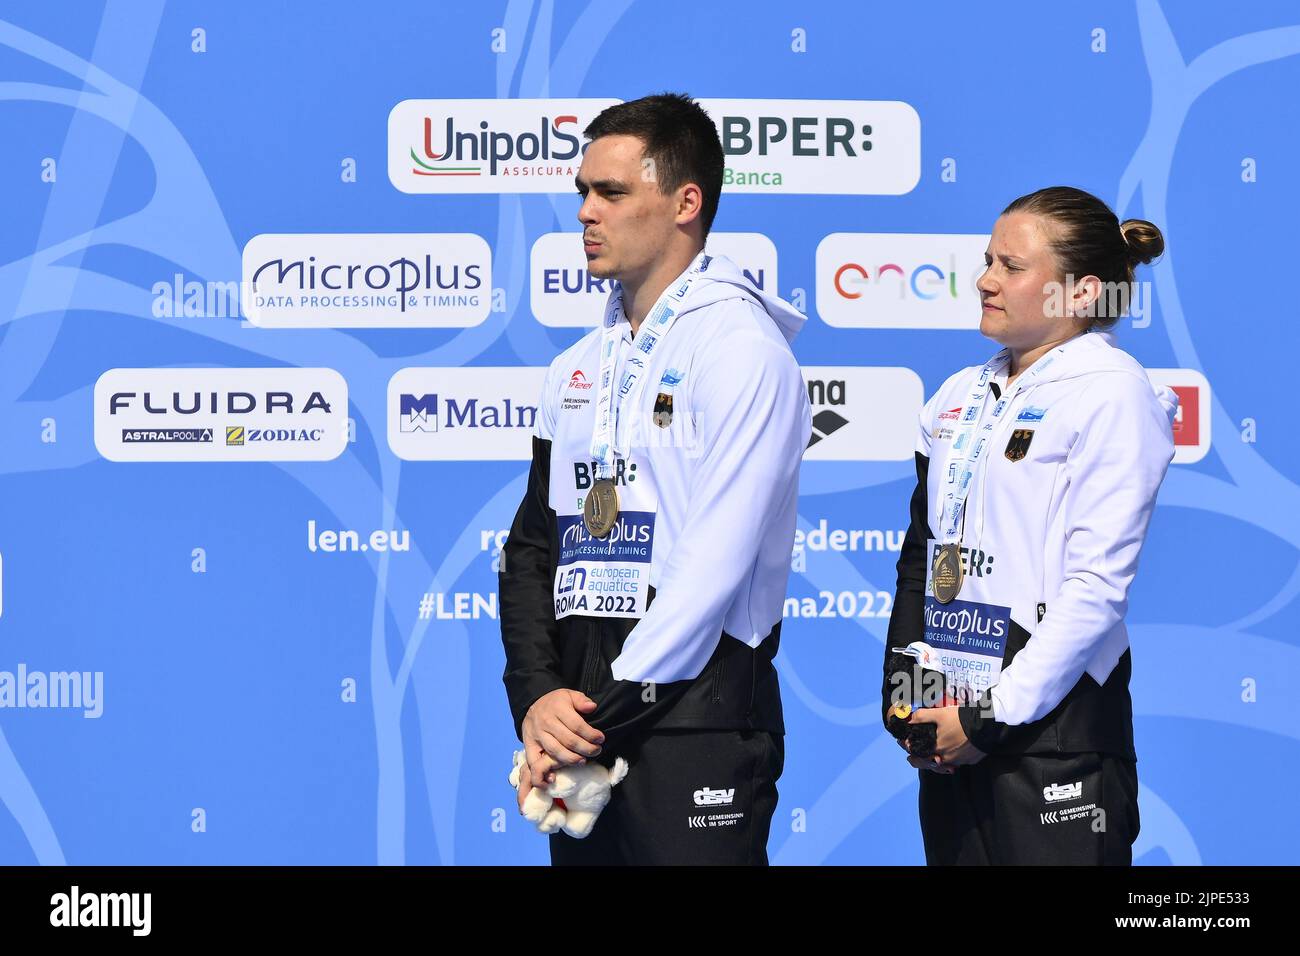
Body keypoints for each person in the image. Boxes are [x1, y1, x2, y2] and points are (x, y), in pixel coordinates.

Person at [499, 93, 811, 865]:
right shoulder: (575, 365)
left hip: (694, 726)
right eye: (582, 192)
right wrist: (538, 699)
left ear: (685, 202)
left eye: (611, 192)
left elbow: (712, 568)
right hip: (581, 732)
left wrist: (593, 716)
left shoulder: (743, 349)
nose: (585, 213)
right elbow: (535, 545)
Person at [881, 186, 1177, 865]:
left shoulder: (1113, 394)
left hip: (1056, 735)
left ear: (1081, 293)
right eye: (988, 260)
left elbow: (1096, 589)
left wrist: (990, 719)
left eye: (1011, 266)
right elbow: (922, 561)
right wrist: (912, 699)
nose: (985, 280)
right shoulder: (956, 395)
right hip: (953, 730)